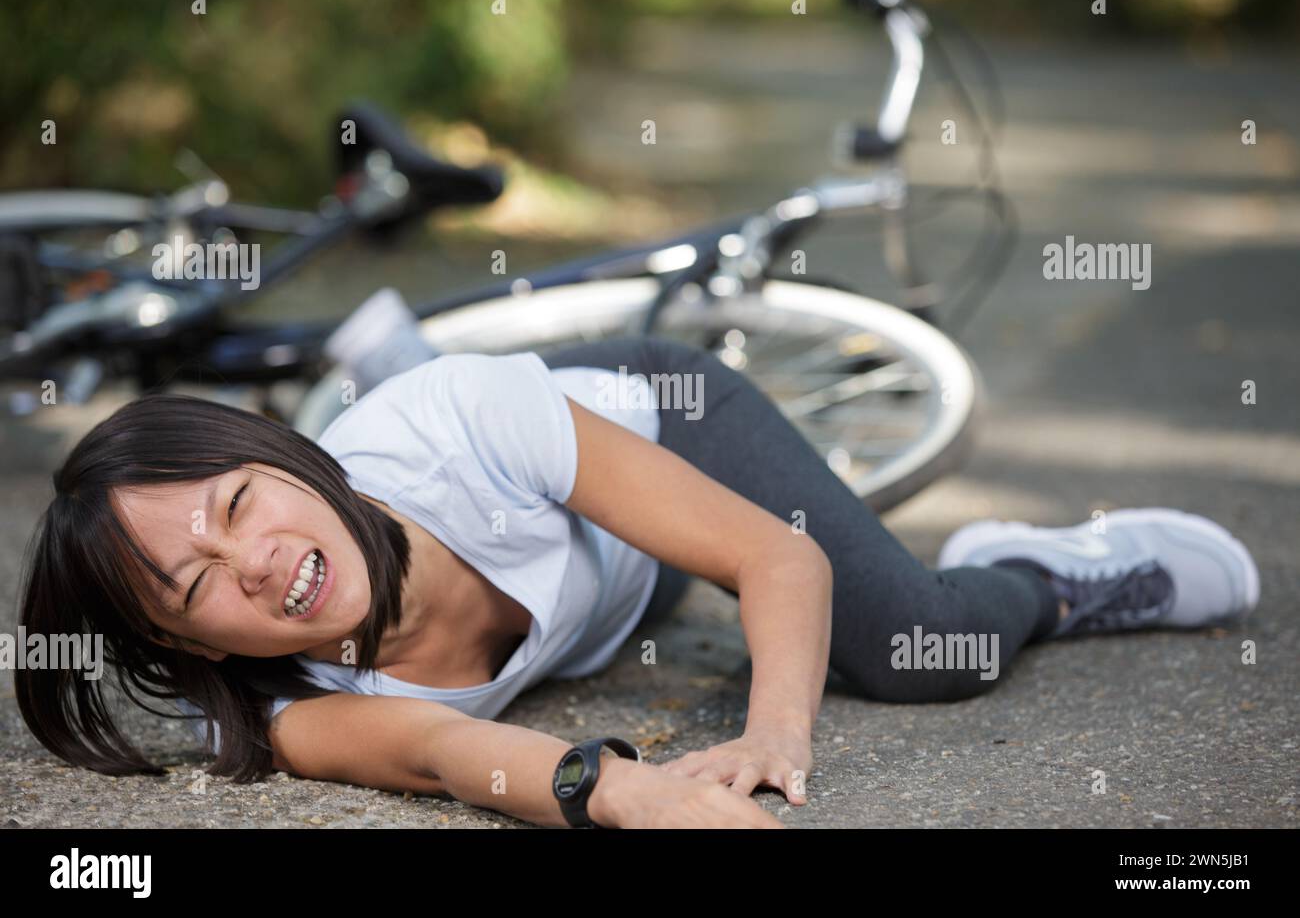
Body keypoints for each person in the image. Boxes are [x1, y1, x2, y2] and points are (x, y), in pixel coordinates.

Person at [14, 335, 1259, 829]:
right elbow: (455, 759)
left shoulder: (458, 422)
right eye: (195, 585)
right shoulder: (301, 710)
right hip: (619, 596)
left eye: (239, 504)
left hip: (653, 429)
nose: (259, 562)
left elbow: (772, 555)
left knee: (919, 649)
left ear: (281, 454)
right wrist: (627, 796)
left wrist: (772, 737)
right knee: (662, 612)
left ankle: (1041, 570)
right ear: (200, 646)